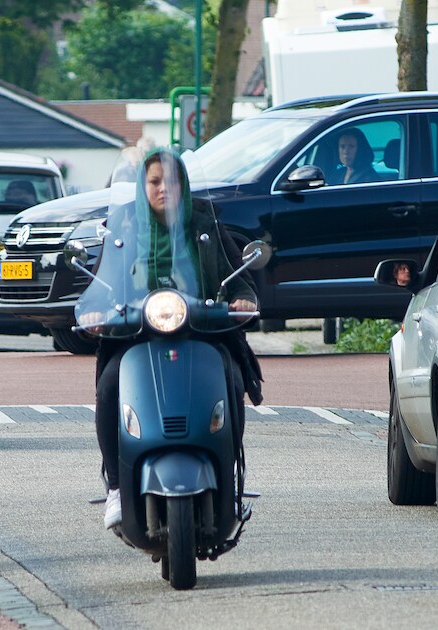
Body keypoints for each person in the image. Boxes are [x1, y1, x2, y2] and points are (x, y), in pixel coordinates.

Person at [85, 148, 263, 529]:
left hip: (202, 328)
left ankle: (227, 475)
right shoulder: (125, 225)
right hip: (135, 334)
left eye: (172, 181)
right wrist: (98, 311)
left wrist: (243, 297)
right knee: (108, 387)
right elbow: (104, 277)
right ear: (141, 186)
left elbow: (237, 271)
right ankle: (117, 486)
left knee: (232, 381)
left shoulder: (205, 221)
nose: (164, 189)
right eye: (154, 182)